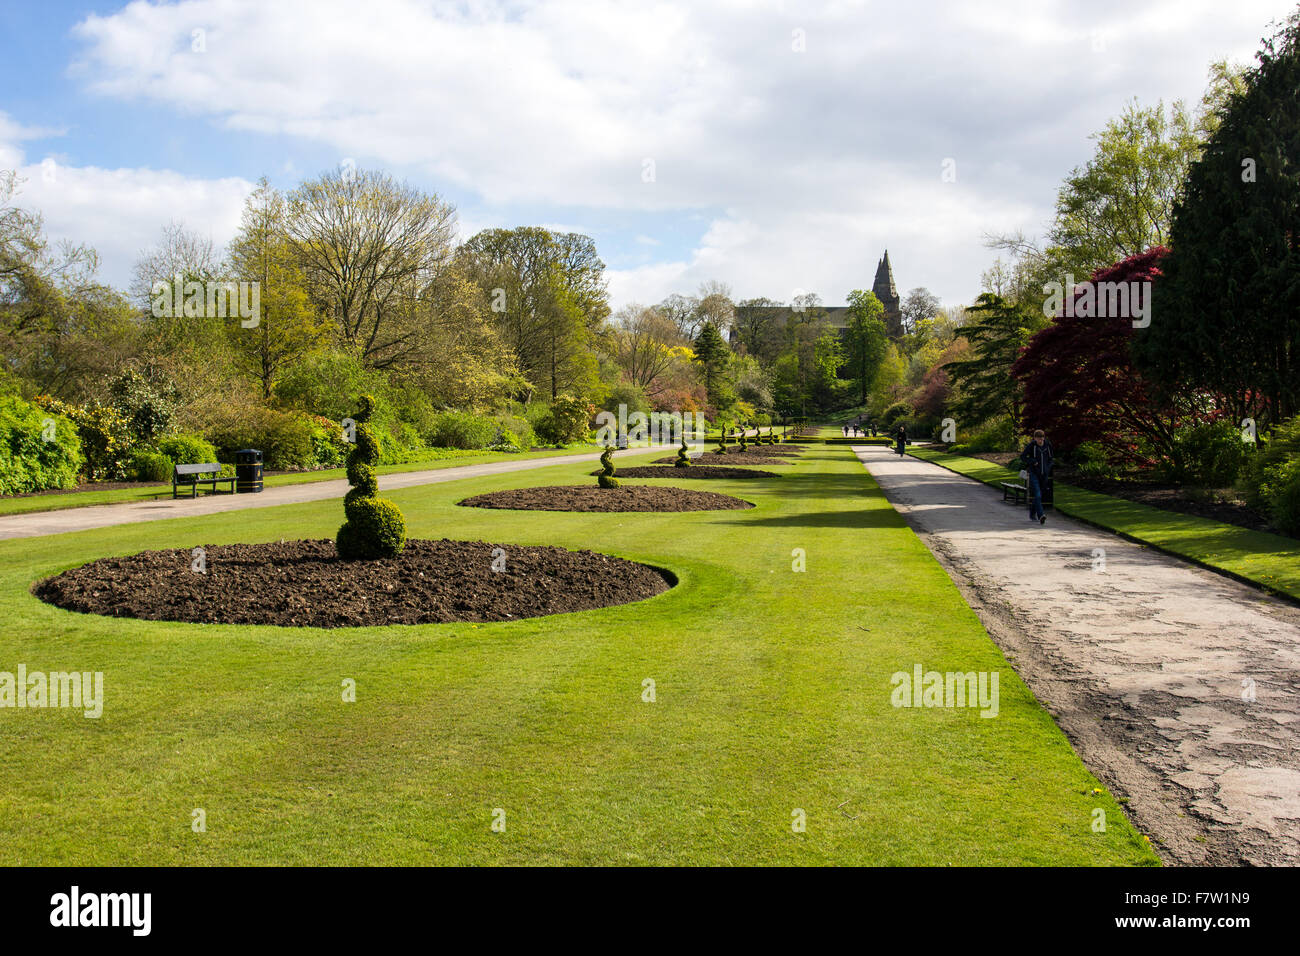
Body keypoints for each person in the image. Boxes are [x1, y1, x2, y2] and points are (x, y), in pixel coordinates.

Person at [1020, 429, 1053, 525]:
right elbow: (1023, 457)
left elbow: (1051, 459)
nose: (1040, 441)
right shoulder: (1032, 446)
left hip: (1044, 474)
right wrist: (1032, 461)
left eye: (1042, 439)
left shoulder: (1048, 445)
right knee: (1038, 495)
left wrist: (1048, 467)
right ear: (1035, 438)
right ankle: (1041, 515)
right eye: (1038, 439)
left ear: (1044, 438)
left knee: (1038, 496)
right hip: (1034, 474)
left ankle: (1032, 513)